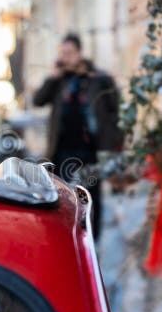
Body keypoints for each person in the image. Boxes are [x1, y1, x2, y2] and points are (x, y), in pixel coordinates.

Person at [33, 33, 123, 238]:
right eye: (63, 53)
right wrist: (52, 77)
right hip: (63, 149)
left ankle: (92, 238)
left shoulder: (98, 78)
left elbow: (115, 109)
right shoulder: (59, 80)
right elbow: (38, 100)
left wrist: (114, 140)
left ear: (79, 53)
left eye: (69, 53)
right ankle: (66, 235)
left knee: (91, 195)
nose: (66, 57)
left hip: (90, 149)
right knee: (63, 195)